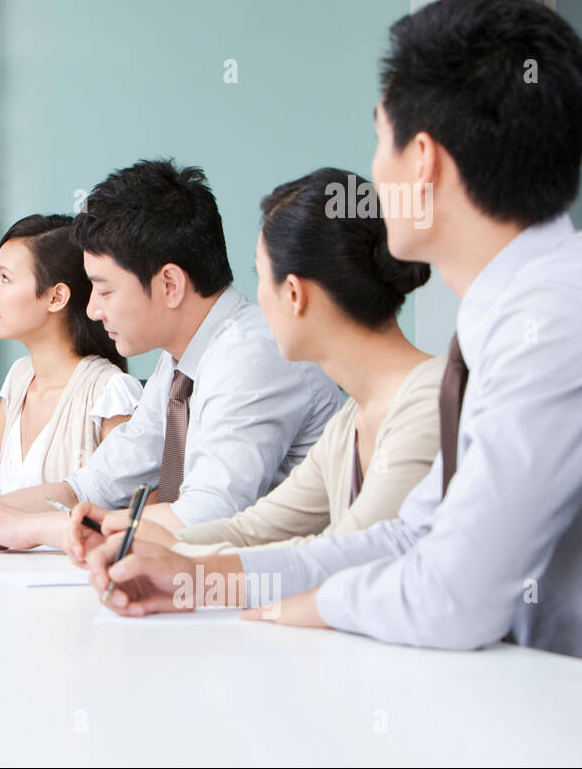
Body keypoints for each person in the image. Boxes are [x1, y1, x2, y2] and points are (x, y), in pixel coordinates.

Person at [80, 0, 582, 658]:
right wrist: (205, 580)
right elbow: (409, 539)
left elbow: (450, 598)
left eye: (380, 138)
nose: (373, 170)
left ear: (423, 159)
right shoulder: (511, 314)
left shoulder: (548, 323)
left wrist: (299, 607)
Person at [0, 159, 342, 550]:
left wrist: (45, 530)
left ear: (169, 283)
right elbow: (92, 485)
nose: (93, 308)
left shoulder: (249, 355)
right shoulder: (180, 362)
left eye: (104, 289)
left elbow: (208, 514)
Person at [71, 168, 442, 559]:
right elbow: (250, 530)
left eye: (260, 278)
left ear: (294, 294)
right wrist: (121, 533)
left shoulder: (426, 400)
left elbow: (343, 556)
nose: (253, 303)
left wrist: (195, 576)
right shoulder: (352, 420)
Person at [0, 214, 142, 505]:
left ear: (55, 297)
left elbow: (135, 515)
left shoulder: (109, 392)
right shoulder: (20, 378)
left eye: (5, 278)